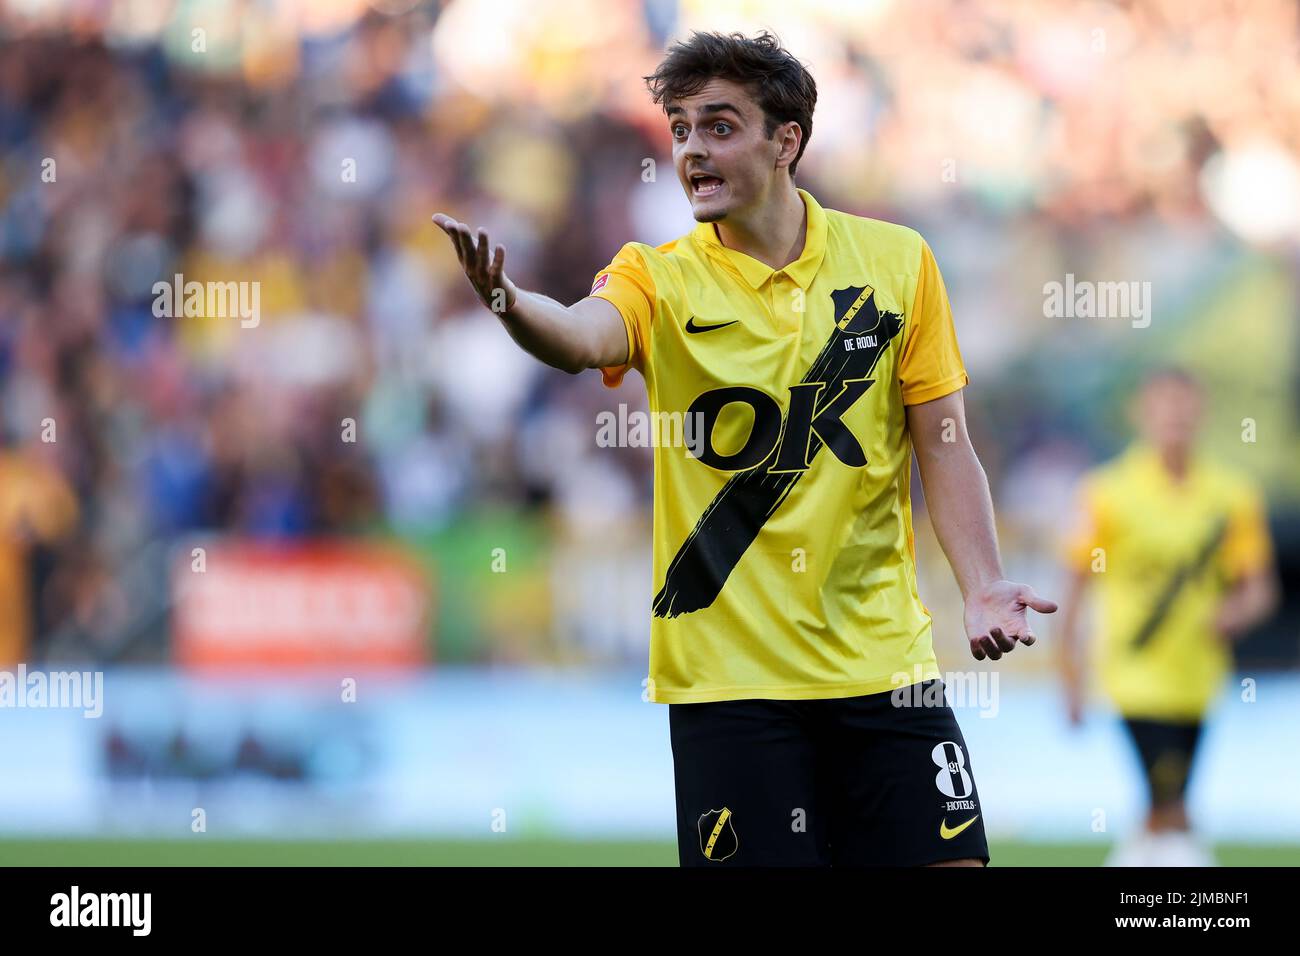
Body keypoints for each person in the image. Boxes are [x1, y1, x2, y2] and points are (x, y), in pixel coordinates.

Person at [433, 30, 1056, 866]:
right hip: (733, 686)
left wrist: (982, 587)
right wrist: (510, 302)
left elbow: (944, 445)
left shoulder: (898, 264)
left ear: (785, 140)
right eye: (682, 129)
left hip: (885, 667)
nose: (692, 150)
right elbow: (582, 338)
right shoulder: (658, 277)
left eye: (719, 126)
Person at [1057, 367, 1279, 866]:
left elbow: (1260, 588)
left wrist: (1235, 611)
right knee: (1174, 809)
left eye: (1185, 405)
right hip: (1133, 676)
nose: (1175, 416)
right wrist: (1068, 675)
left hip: (1199, 678)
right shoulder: (1107, 492)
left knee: (1161, 809)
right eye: (1164, 405)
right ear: (1141, 413)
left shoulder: (1230, 494)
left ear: (1201, 412)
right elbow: (1072, 588)